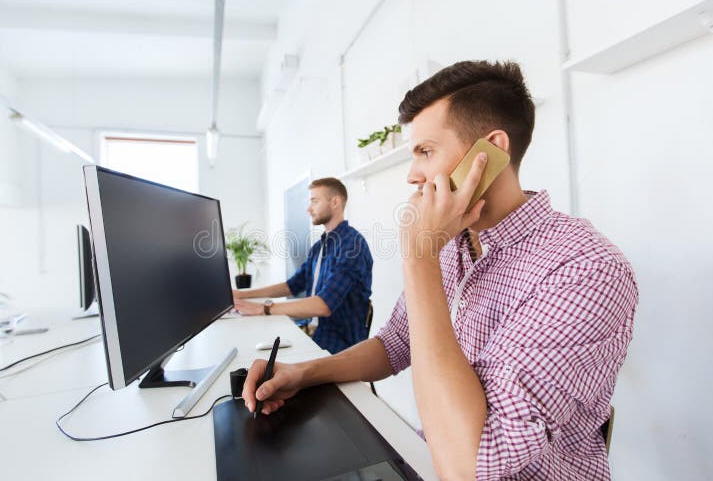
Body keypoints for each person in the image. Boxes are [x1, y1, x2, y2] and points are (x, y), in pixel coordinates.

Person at [241, 61, 638, 480]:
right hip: (428, 457)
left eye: (426, 152)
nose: (413, 175)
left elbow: (471, 468)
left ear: (489, 153)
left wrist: (419, 257)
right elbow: (395, 344)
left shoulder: (584, 269)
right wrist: (304, 373)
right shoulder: (454, 245)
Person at [234, 177, 373, 354]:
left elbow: (324, 305)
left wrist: (264, 308)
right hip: (313, 333)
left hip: (339, 345)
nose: (308, 208)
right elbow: (292, 286)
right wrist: (243, 294)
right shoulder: (319, 247)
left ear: (335, 202)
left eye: (315, 201)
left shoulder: (352, 245)